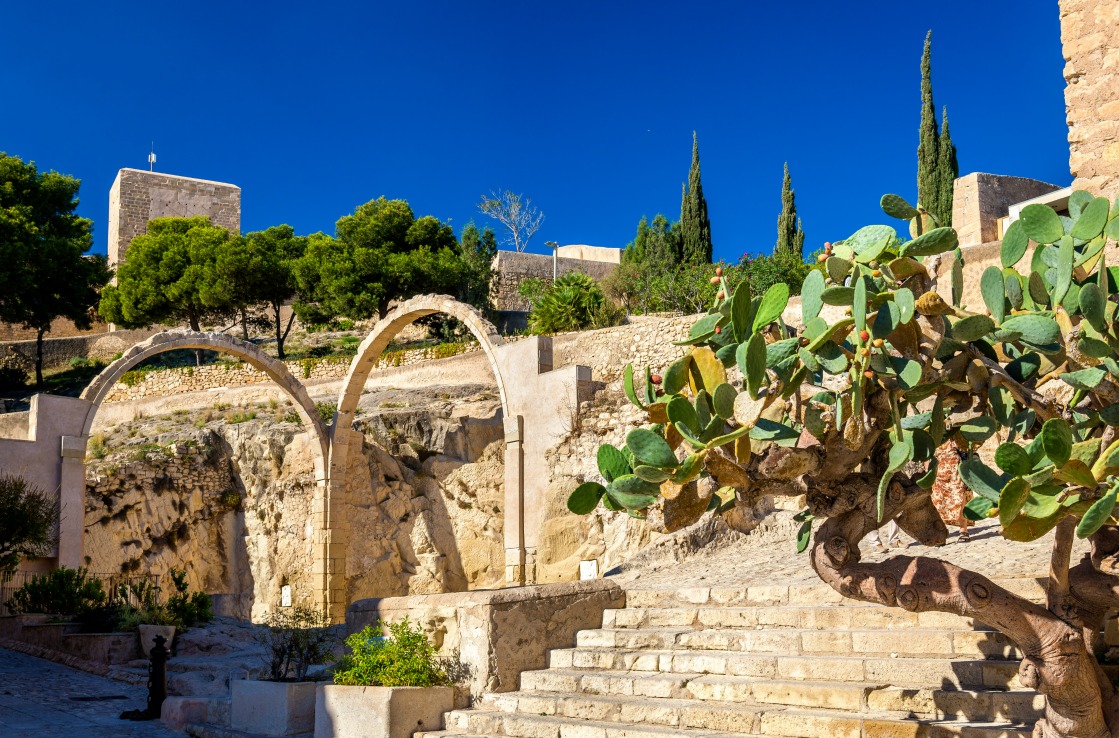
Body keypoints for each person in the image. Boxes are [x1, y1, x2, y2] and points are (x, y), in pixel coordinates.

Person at [931, 435, 972, 542]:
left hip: (955, 470)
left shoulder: (955, 430)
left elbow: (965, 447)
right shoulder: (933, 430)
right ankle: (940, 533)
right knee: (938, 502)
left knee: (959, 497)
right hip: (937, 470)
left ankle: (963, 530)